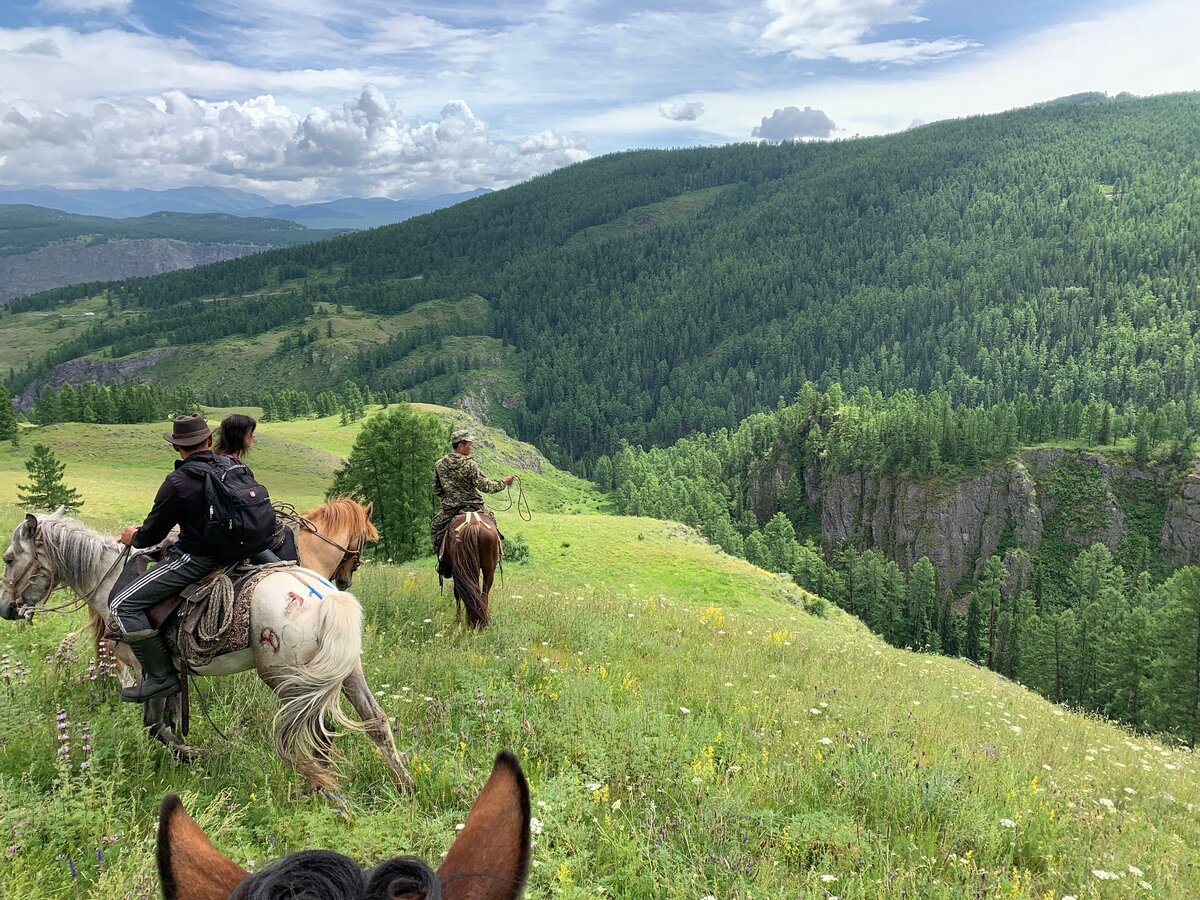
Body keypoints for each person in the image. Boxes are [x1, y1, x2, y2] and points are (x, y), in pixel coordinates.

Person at [108, 414, 250, 702]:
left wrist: (131, 537)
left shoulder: (177, 482)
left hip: (199, 559)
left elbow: (150, 536)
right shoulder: (234, 466)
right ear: (209, 441)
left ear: (177, 448)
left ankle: (160, 677)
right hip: (240, 553)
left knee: (122, 604)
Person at [430, 429, 514, 578]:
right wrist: (504, 482)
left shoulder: (439, 464)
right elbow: (486, 487)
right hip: (475, 505)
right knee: (492, 523)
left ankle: (443, 563)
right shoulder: (470, 465)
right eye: (469, 444)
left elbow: (436, 489)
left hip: (451, 509)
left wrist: (450, 497)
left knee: (436, 527)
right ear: (460, 446)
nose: (471, 446)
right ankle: (496, 555)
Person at [215, 413, 281, 564]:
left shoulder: (222, 462)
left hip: (236, 531)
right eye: (250, 433)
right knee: (278, 566)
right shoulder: (231, 467)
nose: (254, 436)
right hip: (235, 537)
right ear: (240, 435)